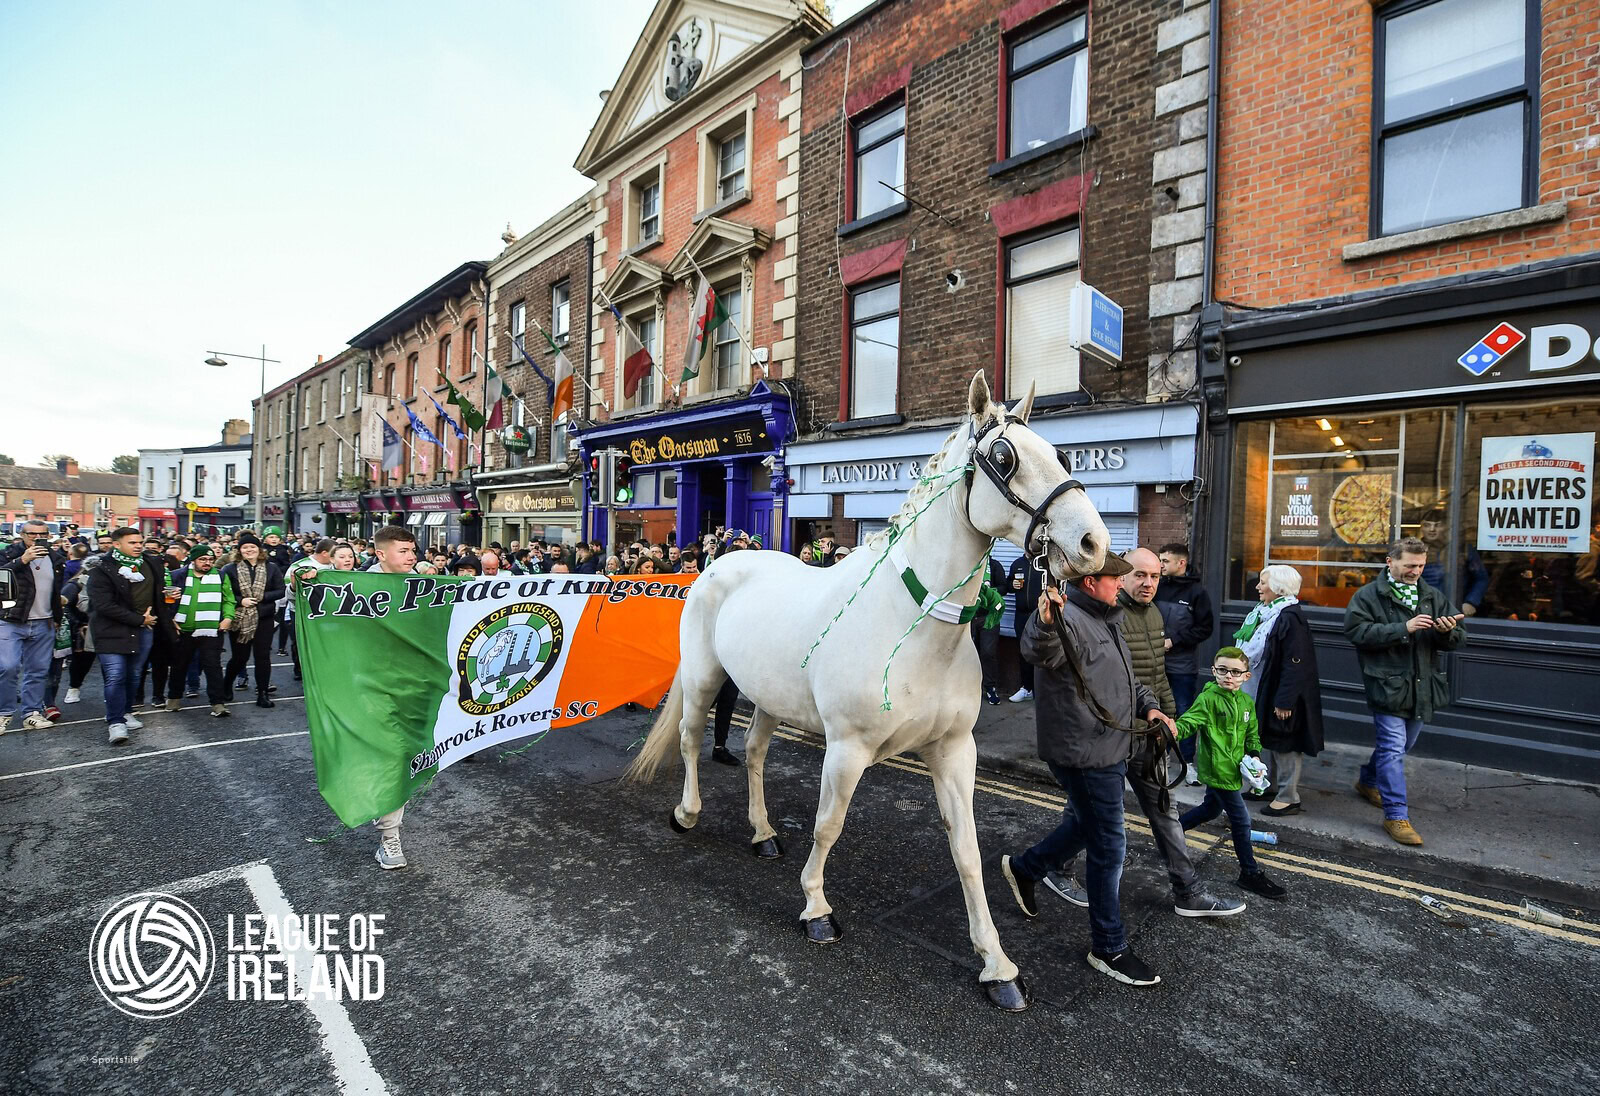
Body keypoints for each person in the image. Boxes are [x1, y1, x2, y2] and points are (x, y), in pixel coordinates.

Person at [999, 553, 1174, 987]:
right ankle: (1108, 946)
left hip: (1113, 744)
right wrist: (1042, 621)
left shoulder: (1107, 616)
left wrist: (1149, 706)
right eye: (1117, 578)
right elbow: (1037, 650)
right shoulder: (1066, 616)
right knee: (1109, 845)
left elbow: (1123, 678)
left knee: (1084, 825)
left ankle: (1026, 868)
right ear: (1092, 582)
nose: (1123, 584)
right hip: (1084, 751)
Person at [1043, 548, 1243, 920]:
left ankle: (1188, 890)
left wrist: (1168, 717)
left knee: (1164, 810)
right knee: (1092, 815)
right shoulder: (1099, 615)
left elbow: (1154, 674)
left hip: (1147, 732)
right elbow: (1057, 661)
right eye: (1139, 576)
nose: (1148, 583)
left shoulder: (1153, 614)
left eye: (1155, 576)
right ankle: (1055, 867)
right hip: (1110, 735)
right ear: (1121, 577)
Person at [1344, 536, 1466, 847]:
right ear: (1391, 562)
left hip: (1422, 687)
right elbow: (1356, 632)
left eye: (1421, 565)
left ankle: (1368, 780)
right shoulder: (1368, 595)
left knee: (1399, 746)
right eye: (1410, 565)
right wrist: (1403, 628)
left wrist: (1447, 631)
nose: (1416, 571)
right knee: (1394, 747)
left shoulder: (1431, 594)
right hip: (1388, 686)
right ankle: (1396, 815)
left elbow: (1458, 639)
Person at [1174, 647, 1288, 899]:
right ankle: (1249, 873)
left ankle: (1170, 834)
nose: (1229, 676)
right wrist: (1170, 729)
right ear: (1214, 671)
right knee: (1241, 820)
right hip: (1217, 769)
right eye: (1223, 670)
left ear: (1246, 676)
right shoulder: (1208, 699)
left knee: (1210, 809)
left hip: (1235, 770)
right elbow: (1188, 722)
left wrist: (1255, 755)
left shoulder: (1246, 702)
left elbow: (1252, 734)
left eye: (1236, 672)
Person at [1244, 566, 1324, 817]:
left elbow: (1295, 663)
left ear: (1278, 588)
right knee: (1268, 738)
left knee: (1285, 743)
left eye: (1262, 583)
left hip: (1283, 693)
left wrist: (1285, 701)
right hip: (1268, 688)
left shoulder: (1289, 618)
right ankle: (1270, 786)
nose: (1258, 587)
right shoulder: (1267, 612)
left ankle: (1289, 797)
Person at [86, 527, 174, 745]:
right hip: (111, 630)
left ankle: (125, 711)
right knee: (116, 674)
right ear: (117, 544)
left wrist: (168, 595)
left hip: (144, 628)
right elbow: (103, 605)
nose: (138, 546)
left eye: (139, 542)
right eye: (132, 542)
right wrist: (139, 620)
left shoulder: (151, 562)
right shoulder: (102, 568)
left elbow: (157, 591)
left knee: (134, 673)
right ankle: (115, 722)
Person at [367, 525, 419, 868]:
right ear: (381, 553)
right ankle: (389, 836)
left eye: (413, 550)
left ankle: (383, 819)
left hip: (415, 685)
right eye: (403, 551)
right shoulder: (357, 587)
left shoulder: (425, 585)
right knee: (392, 759)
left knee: (408, 758)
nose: (412, 556)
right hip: (373, 687)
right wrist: (302, 580)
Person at [1154, 542, 1215, 783]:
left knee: (1184, 713)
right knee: (1154, 710)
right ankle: (1159, 758)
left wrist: (1174, 641)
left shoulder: (1197, 593)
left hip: (1182, 665)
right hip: (1154, 663)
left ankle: (1187, 763)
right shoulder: (1156, 586)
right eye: (1160, 560)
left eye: (1165, 561)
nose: (1161, 565)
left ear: (1181, 563)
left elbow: (1205, 628)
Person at [1, 520, 65, 732]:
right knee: (7, 667)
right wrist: (22, 560)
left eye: (43, 535)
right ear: (22, 535)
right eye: (32, 535)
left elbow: (56, 592)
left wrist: (57, 617)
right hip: (11, 620)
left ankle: (31, 713)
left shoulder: (55, 559)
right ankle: (4, 712)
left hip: (44, 621)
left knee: (37, 670)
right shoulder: (9, 554)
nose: (37, 539)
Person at [164, 545, 235, 717]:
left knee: (213, 666)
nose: (207, 563)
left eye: (210, 560)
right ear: (193, 559)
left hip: (211, 630)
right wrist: (170, 619)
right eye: (203, 559)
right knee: (179, 665)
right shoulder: (176, 575)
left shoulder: (220, 575)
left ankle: (218, 703)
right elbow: (165, 600)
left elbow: (229, 600)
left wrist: (228, 618)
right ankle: (174, 698)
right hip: (183, 629)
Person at [220, 532, 285, 708]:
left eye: (252, 547)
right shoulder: (230, 569)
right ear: (240, 550)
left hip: (264, 617)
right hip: (240, 619)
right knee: (240, 658)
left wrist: (262, 596)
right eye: (245, 547)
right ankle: (226, 684)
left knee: (262, 656)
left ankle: (262, 693)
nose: (249, 550)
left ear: (259, 549)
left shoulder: (271, 568)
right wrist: (241, 600)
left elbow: (281, 590)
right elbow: (225, 593)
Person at [1005, 554, 1042, 702]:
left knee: (1041, 652)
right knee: (1023, 652)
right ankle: (1026, 688)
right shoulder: (1017, 563)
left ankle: (1040, 691)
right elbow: (1007, 585)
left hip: (1040, 616)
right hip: (1021, 616)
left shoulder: (1045, 563)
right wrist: (1012, 585)